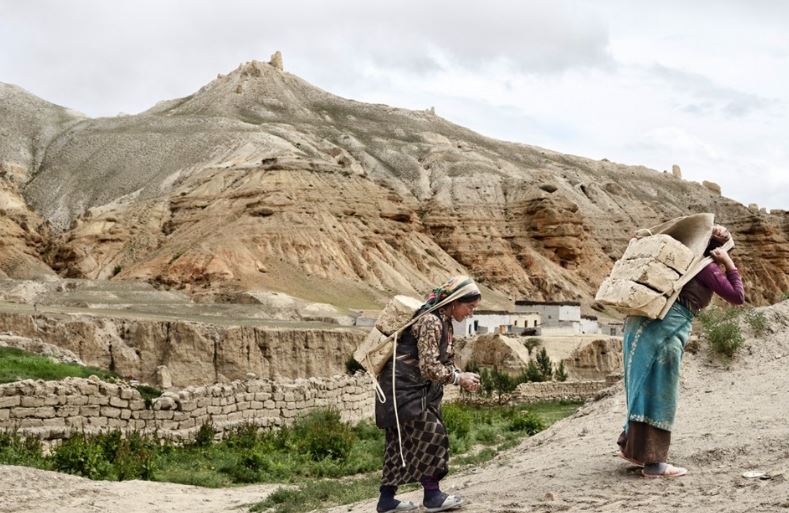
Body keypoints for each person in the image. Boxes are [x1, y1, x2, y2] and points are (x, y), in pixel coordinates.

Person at [617, 225, 745, 478]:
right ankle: (654, 464)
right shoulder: (705, 267)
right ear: (718, 248)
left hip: (645, 326)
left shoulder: (680, 259)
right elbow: (737, 296)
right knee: (660, 390)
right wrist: (728, 264)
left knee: (642, 386)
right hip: (666, 333)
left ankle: (632, 448)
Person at [375, 275, 482, 513]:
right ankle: (432, 496)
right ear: (455, 301)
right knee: (433, 434)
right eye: (470, 307)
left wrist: (462, 376)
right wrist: (458, 379)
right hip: (404, 391)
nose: (471, 313)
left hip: (409, 391)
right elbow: (429, 367)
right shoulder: (431, 321)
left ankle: (386, 501)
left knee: (398, 445)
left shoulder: (445, 322)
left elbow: (444, 361)